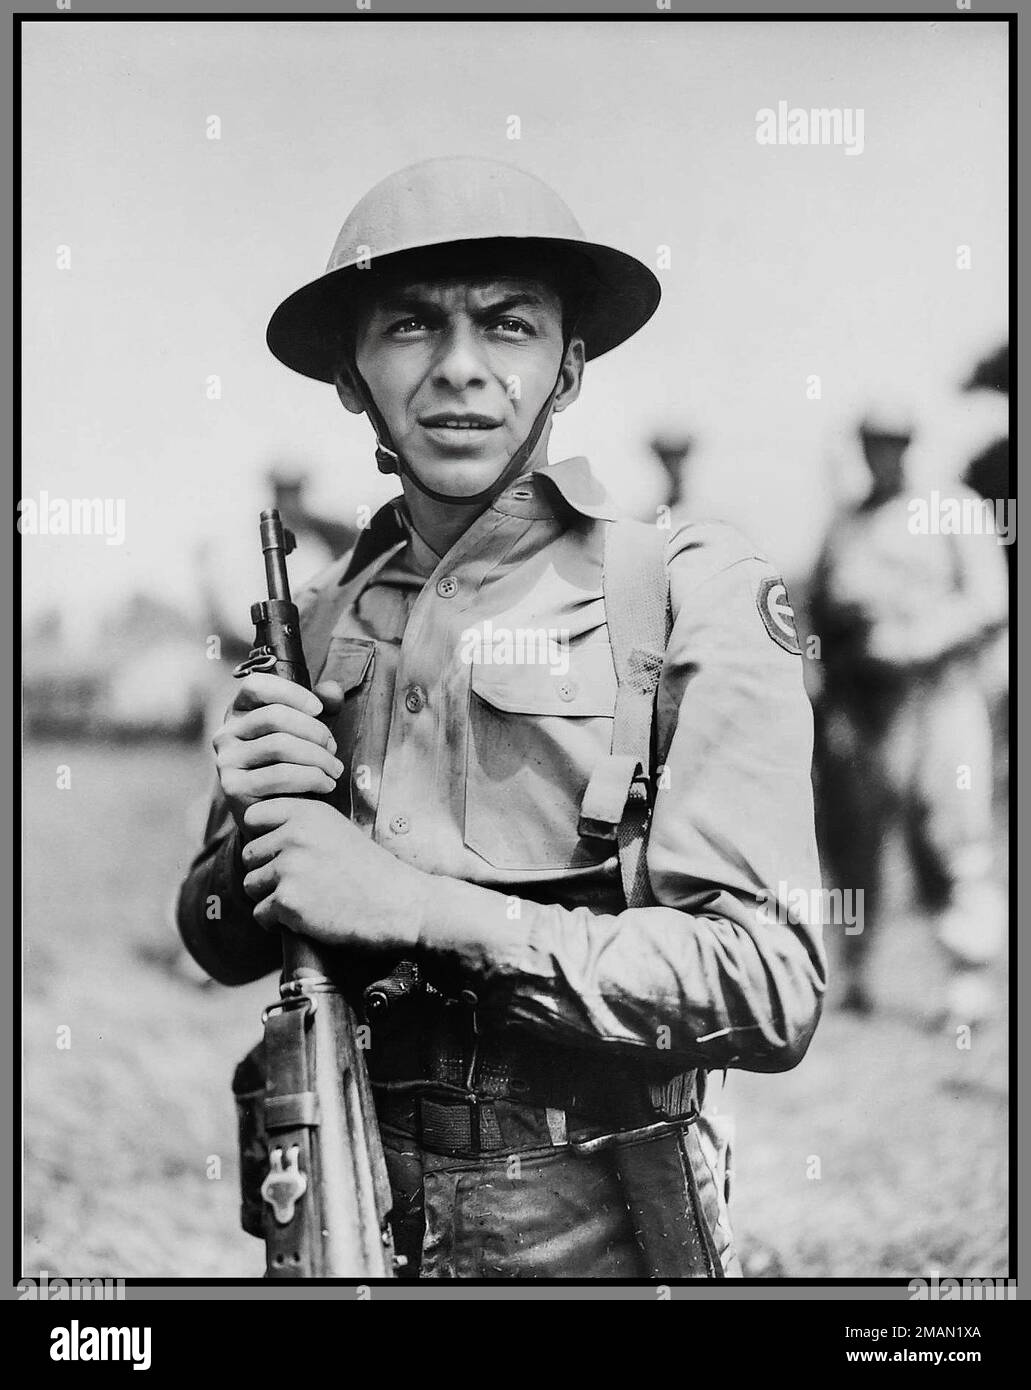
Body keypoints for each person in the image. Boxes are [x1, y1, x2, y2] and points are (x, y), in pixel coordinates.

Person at [176, 156, 825, 1279]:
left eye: (508, 324)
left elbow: (767, 984)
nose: (460, 370)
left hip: (596, 1230)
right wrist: (251, 830)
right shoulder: (317, 621)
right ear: (349, 374)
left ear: (567, 365)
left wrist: (419, 908)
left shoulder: (680, 589)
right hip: (335, 1205)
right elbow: (218, 936)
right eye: (412, 326)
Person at [810, 407, 1008, 1023]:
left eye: (894, 440)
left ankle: (965, 979)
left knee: (951, 832)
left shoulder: (953, 507)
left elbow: (990, 602)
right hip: (863, 704)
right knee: (852, 840)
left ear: (914, 442)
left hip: (939, 692)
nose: (882, 452)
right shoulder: (848, 519)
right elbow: (819, 606)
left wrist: (914, 642)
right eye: (872, 441)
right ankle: (854, 973)